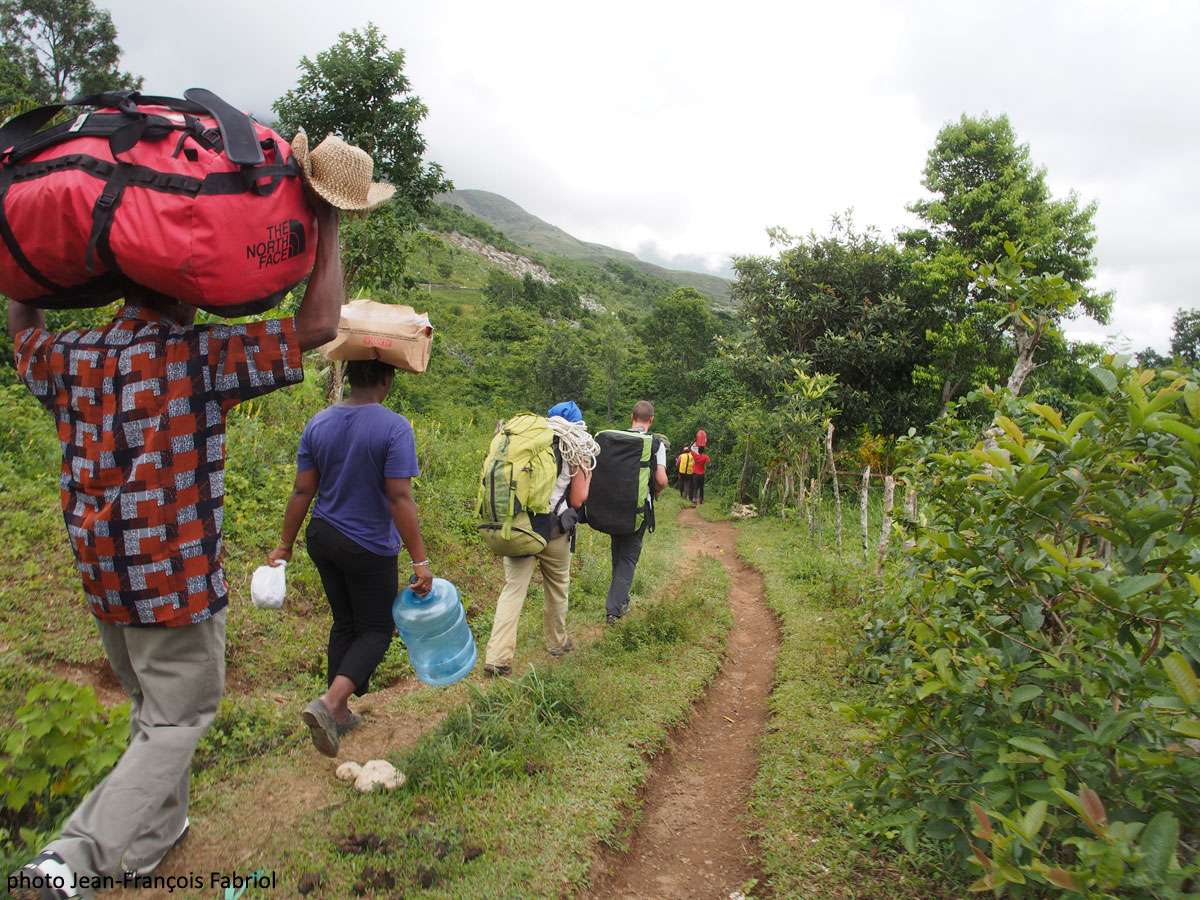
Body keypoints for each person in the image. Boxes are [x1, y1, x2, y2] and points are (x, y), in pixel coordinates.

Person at [8, 201, 344, 897]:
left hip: (103, 579)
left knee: (149, 710)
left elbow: (23, 337)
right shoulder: (199, 356)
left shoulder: (74, 354)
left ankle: (155, 839)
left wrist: (29, 265)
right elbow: (318, 327)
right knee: (179, 715)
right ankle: (73, 859)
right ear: (187, 286)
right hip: (175, 581)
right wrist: (331, 223)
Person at [267, 359, 432, 757]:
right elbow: (398, 496)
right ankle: (328, 704)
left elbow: (303, 490)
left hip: (322, 537)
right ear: (387, 379)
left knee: (345, 622)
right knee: (376, 628)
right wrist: (420, 562)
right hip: (367, 545)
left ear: (352, 376)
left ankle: (338, 712)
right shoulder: (394, 427)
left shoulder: (318, 422)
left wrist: (284, 544)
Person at [483, 401, 592, 678]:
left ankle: (497, 658)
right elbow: (578, 498)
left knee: (512, 590)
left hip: (520, 528)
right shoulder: (574, 446)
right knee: (557, 587)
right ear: (577, 424)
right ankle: (557, 643)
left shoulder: (527, 440)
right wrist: (586, 475)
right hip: (554, 532)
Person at [605, 401, 669, 624]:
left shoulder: (615, 439)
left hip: (612, 506)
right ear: (651, 420)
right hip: (638, 510)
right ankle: (615, 608)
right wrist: (657, 492)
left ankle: (618, 599)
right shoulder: (655, 444)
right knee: (629, 558)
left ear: (631, 416)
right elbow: (661, 479)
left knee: (618, 551)